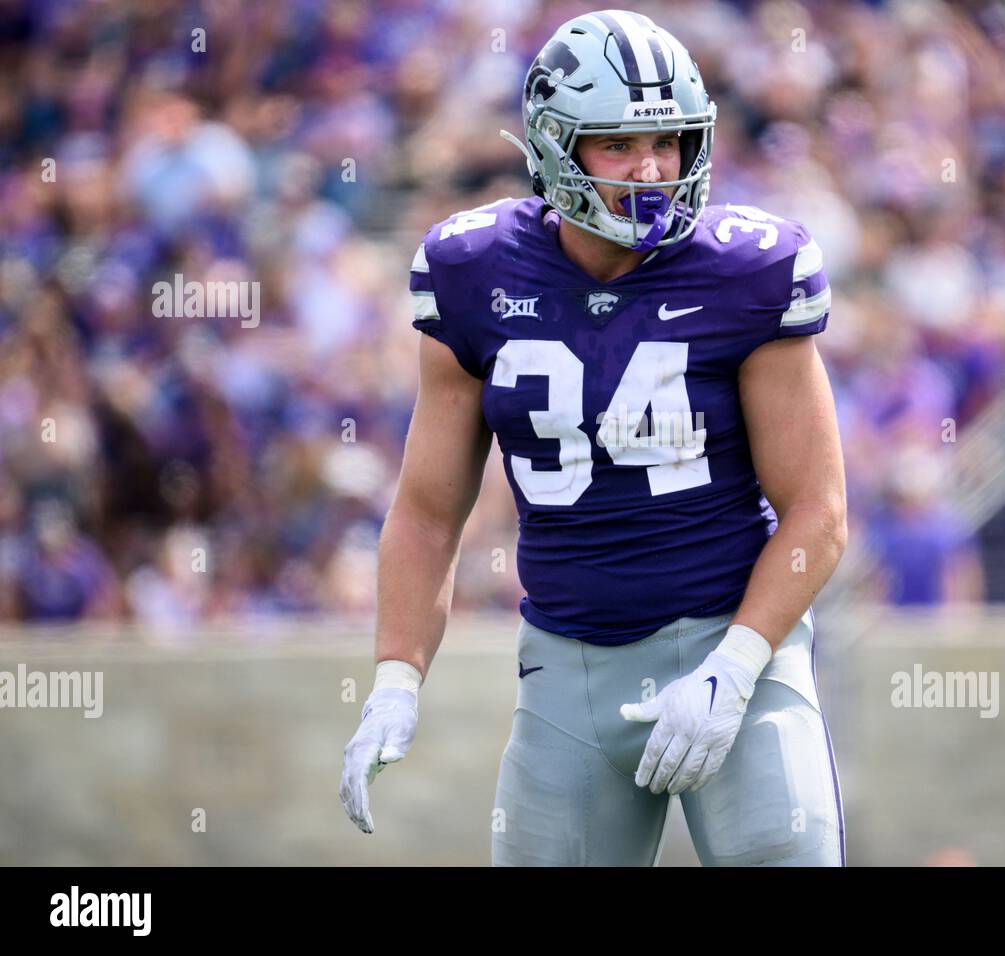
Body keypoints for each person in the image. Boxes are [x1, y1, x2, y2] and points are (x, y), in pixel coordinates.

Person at [339, 9, 847, 866]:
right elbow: (428, 512)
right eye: (618, 144)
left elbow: (818, 514)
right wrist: (395, 678)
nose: (652, 169)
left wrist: (739, 663)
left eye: (670, 141)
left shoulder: (748, 271)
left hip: (737, 655)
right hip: (565, 674)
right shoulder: (475, 273)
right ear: (552, 146)